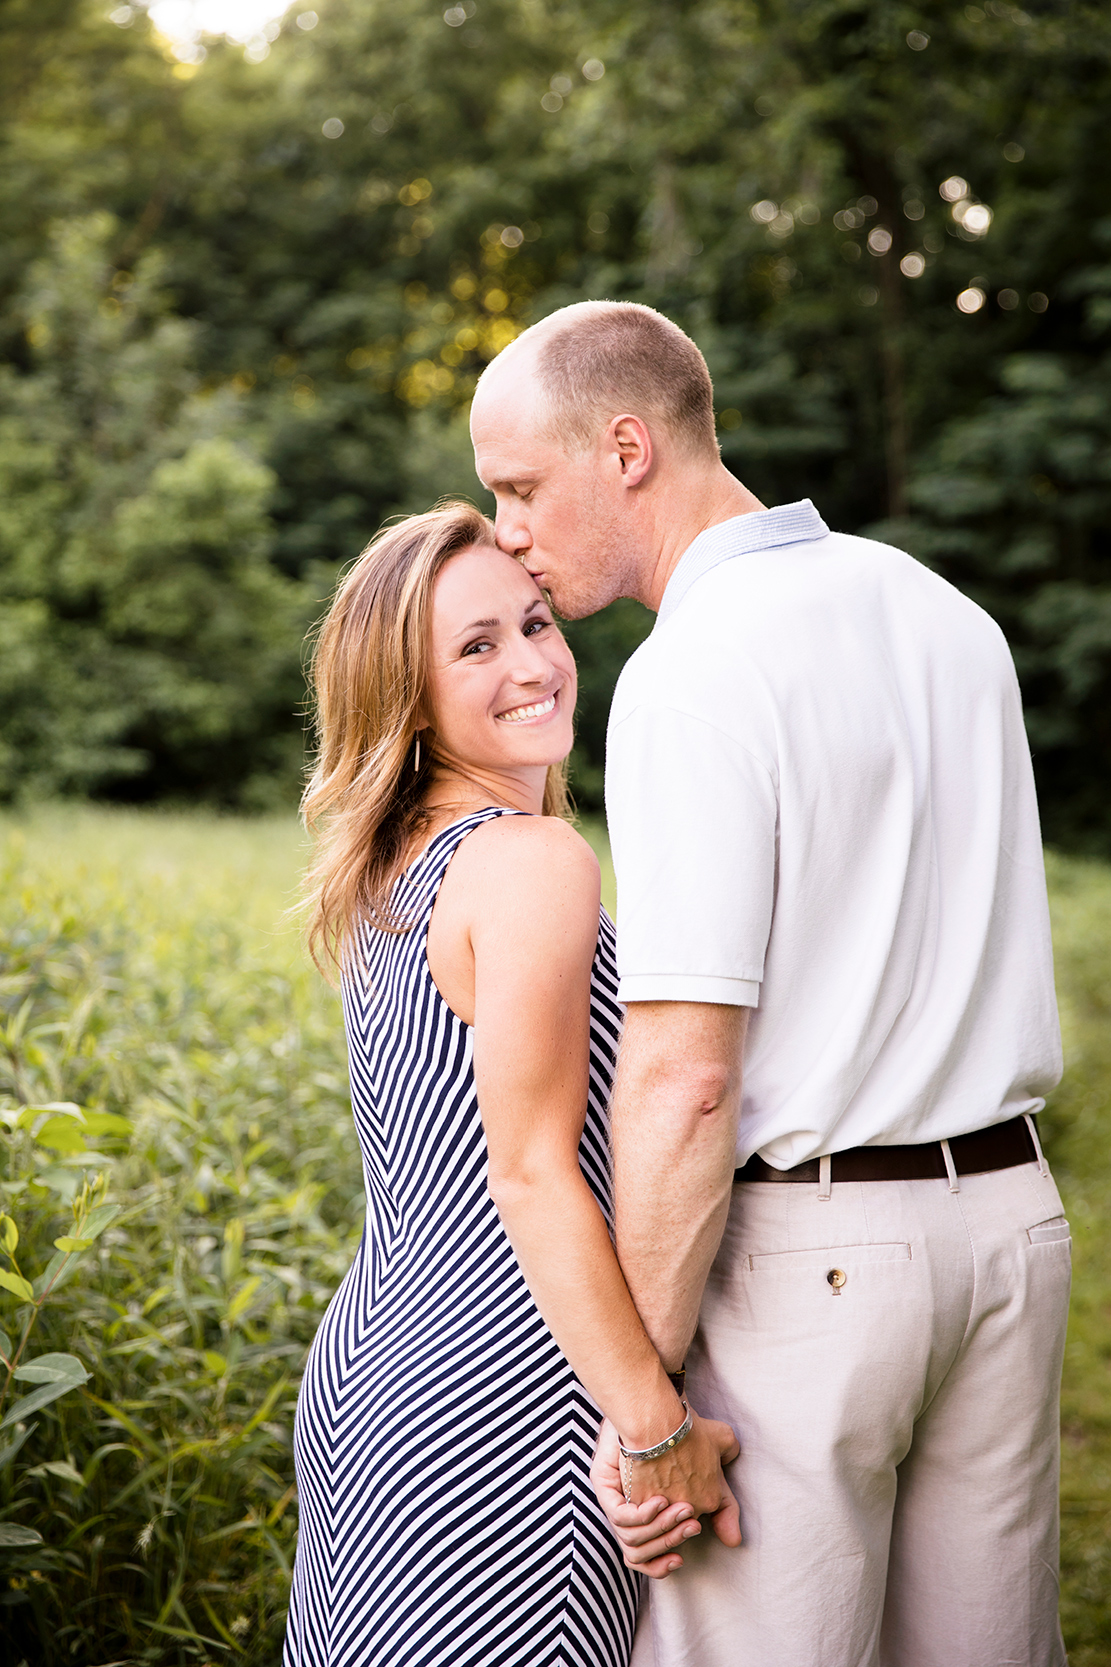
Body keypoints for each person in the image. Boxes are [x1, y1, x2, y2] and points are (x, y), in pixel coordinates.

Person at [469, 301, 1071, 1667]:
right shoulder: (941, 611)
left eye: (519, 486)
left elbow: (684, 1077)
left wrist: (644, 1408)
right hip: (1010, 1227)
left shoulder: (691, 668)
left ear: (626, 447)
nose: (506, 528)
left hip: (818, 1261)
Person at [283, 503, 739, 1667]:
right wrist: (656, 1429)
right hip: (502, 1405)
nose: (534, 663)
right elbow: (530, 1171)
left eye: (535, 622)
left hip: (377, 1370)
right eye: (476, 645)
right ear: (406, 695)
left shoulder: (397, 863)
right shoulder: (529, 860)